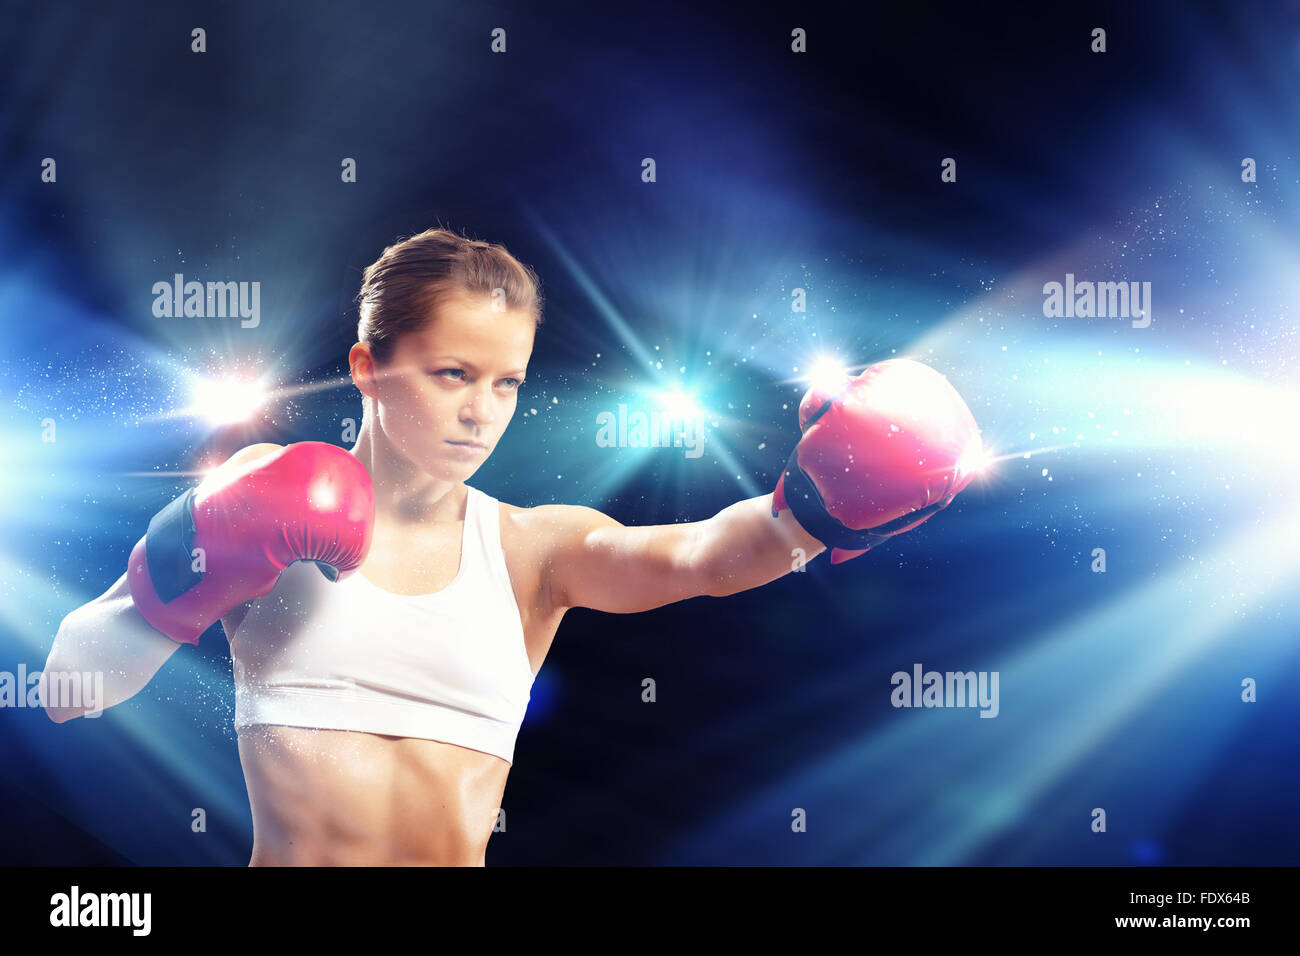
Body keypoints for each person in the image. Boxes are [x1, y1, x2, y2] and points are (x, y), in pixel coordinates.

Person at [41, 227, 983, 865]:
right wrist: (191, 569)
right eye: (454, 373)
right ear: (368, 366)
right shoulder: (264, 486)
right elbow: (72, 686)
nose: (480, 411)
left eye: (507, 383)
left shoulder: (533, 550)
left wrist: (815, 512)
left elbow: (705, 556)